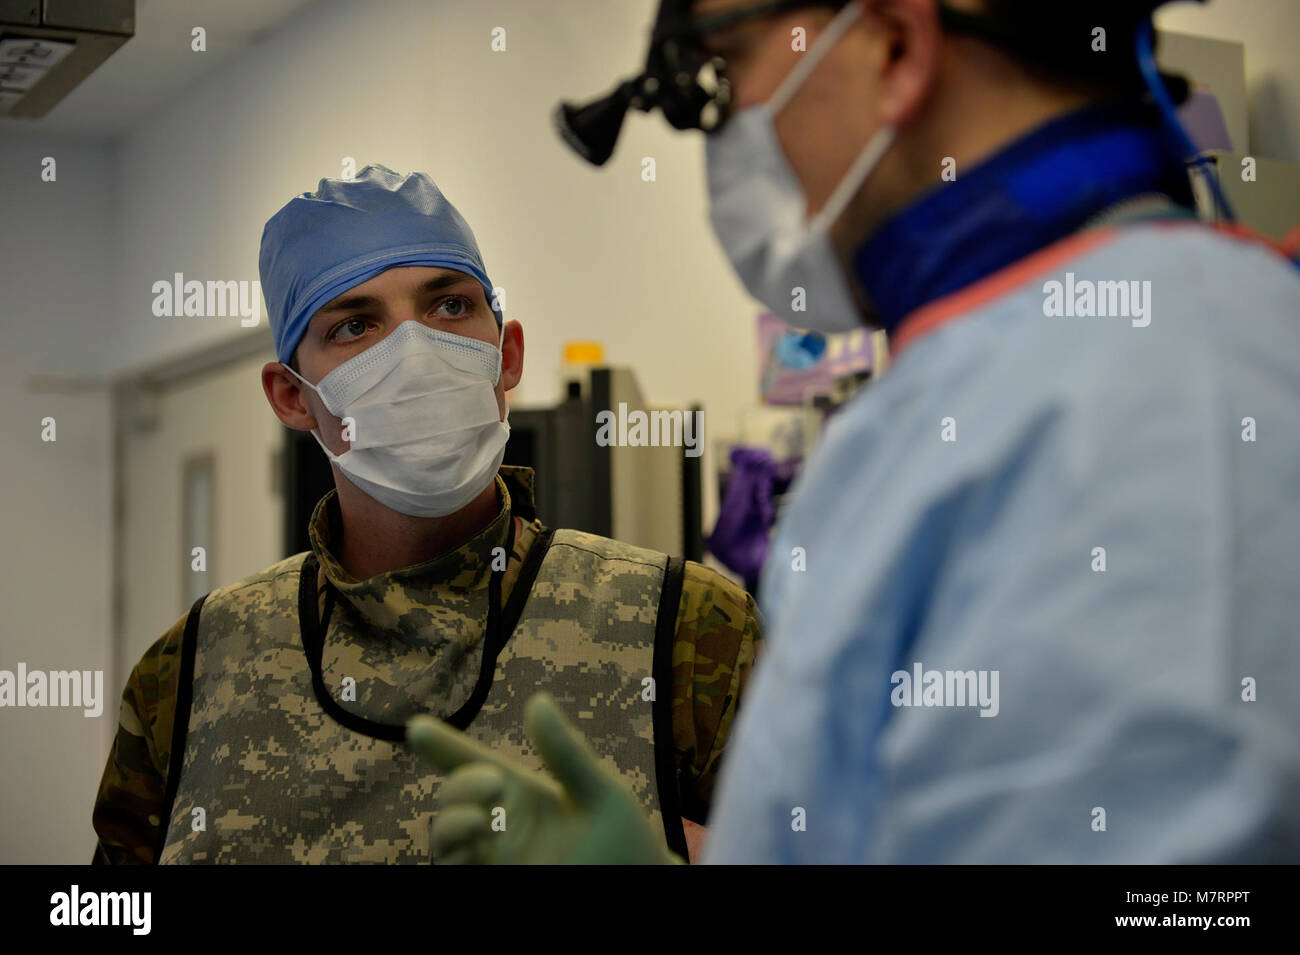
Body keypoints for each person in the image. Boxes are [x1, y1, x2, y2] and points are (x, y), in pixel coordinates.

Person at [409, 0, 1300, 863]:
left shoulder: (1089, 398)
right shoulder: (1140, 342)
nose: (726, 151)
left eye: (728, 75)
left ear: (893, 48)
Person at [90, 164, 760, 864]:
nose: (412, 354)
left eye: (448, 308)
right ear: (291, 397)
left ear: (506, 356)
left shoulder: (686, 630)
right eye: (355, 325)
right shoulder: (194, 669)